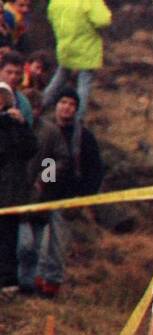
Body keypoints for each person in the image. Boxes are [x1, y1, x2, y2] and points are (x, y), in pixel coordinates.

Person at [19, 87, 99, 297]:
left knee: (57, 245)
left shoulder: (84, 137)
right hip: (40, 196)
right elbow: (44, 158)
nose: (66, 107)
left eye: (72, 104)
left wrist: (84, 196)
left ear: (76, 109)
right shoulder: (43, 128)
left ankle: (51, 285)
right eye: (63, 102)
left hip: (67, 197)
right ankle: (31, 280)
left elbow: (94, 169)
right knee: (32, 244)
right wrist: (45, 178)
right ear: (55, 105)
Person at [43, 0, 111, 120]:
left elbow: (50, 17)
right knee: (84, 84)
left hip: (65, 46)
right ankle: (77, 119)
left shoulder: (56, 1)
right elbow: (103, 20)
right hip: (86, 47)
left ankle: (40, 105)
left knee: (59, 78)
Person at [0, 82, 36, 291]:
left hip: (23, 195)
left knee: (24, 245)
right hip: (18, 193)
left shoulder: (44, 130)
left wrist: (46, 183)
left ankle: (19, 282)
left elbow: (48, 159)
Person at [0, 51, 32, 124]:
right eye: (9, 72)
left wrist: (22, 122)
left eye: (17, 73)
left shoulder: (24, 104)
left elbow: (28, 133)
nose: (13, 77)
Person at [21, 49, 52, 116]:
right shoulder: (22, 76)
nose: (39, 72)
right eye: (37, 67)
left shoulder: (41, 81)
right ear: (29, 64)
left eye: (42, 70)